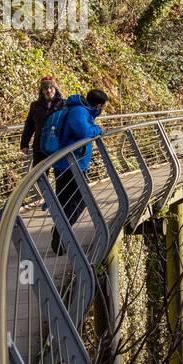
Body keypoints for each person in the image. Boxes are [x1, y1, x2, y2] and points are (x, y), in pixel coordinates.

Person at [50, 88, 107, 253]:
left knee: (68, 202)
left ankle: (60, 238)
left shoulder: (81, 110)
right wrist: (99, 130)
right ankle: (59, 233)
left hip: (72, 163)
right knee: (78, 201)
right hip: (69, 165)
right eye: (102, 107)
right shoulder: (79, 111)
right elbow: (85, 132)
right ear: (98, 105)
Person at [20, 76, 64, 165]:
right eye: (45, 88)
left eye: (51, 88)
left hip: (58, 145)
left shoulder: (64, 104)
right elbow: (29, 125)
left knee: (60, 174)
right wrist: (24, 144)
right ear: (42, 90)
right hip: (39, 146)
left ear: (55, 88)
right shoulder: (35, 106)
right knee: (39, 176)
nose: (48, 91)